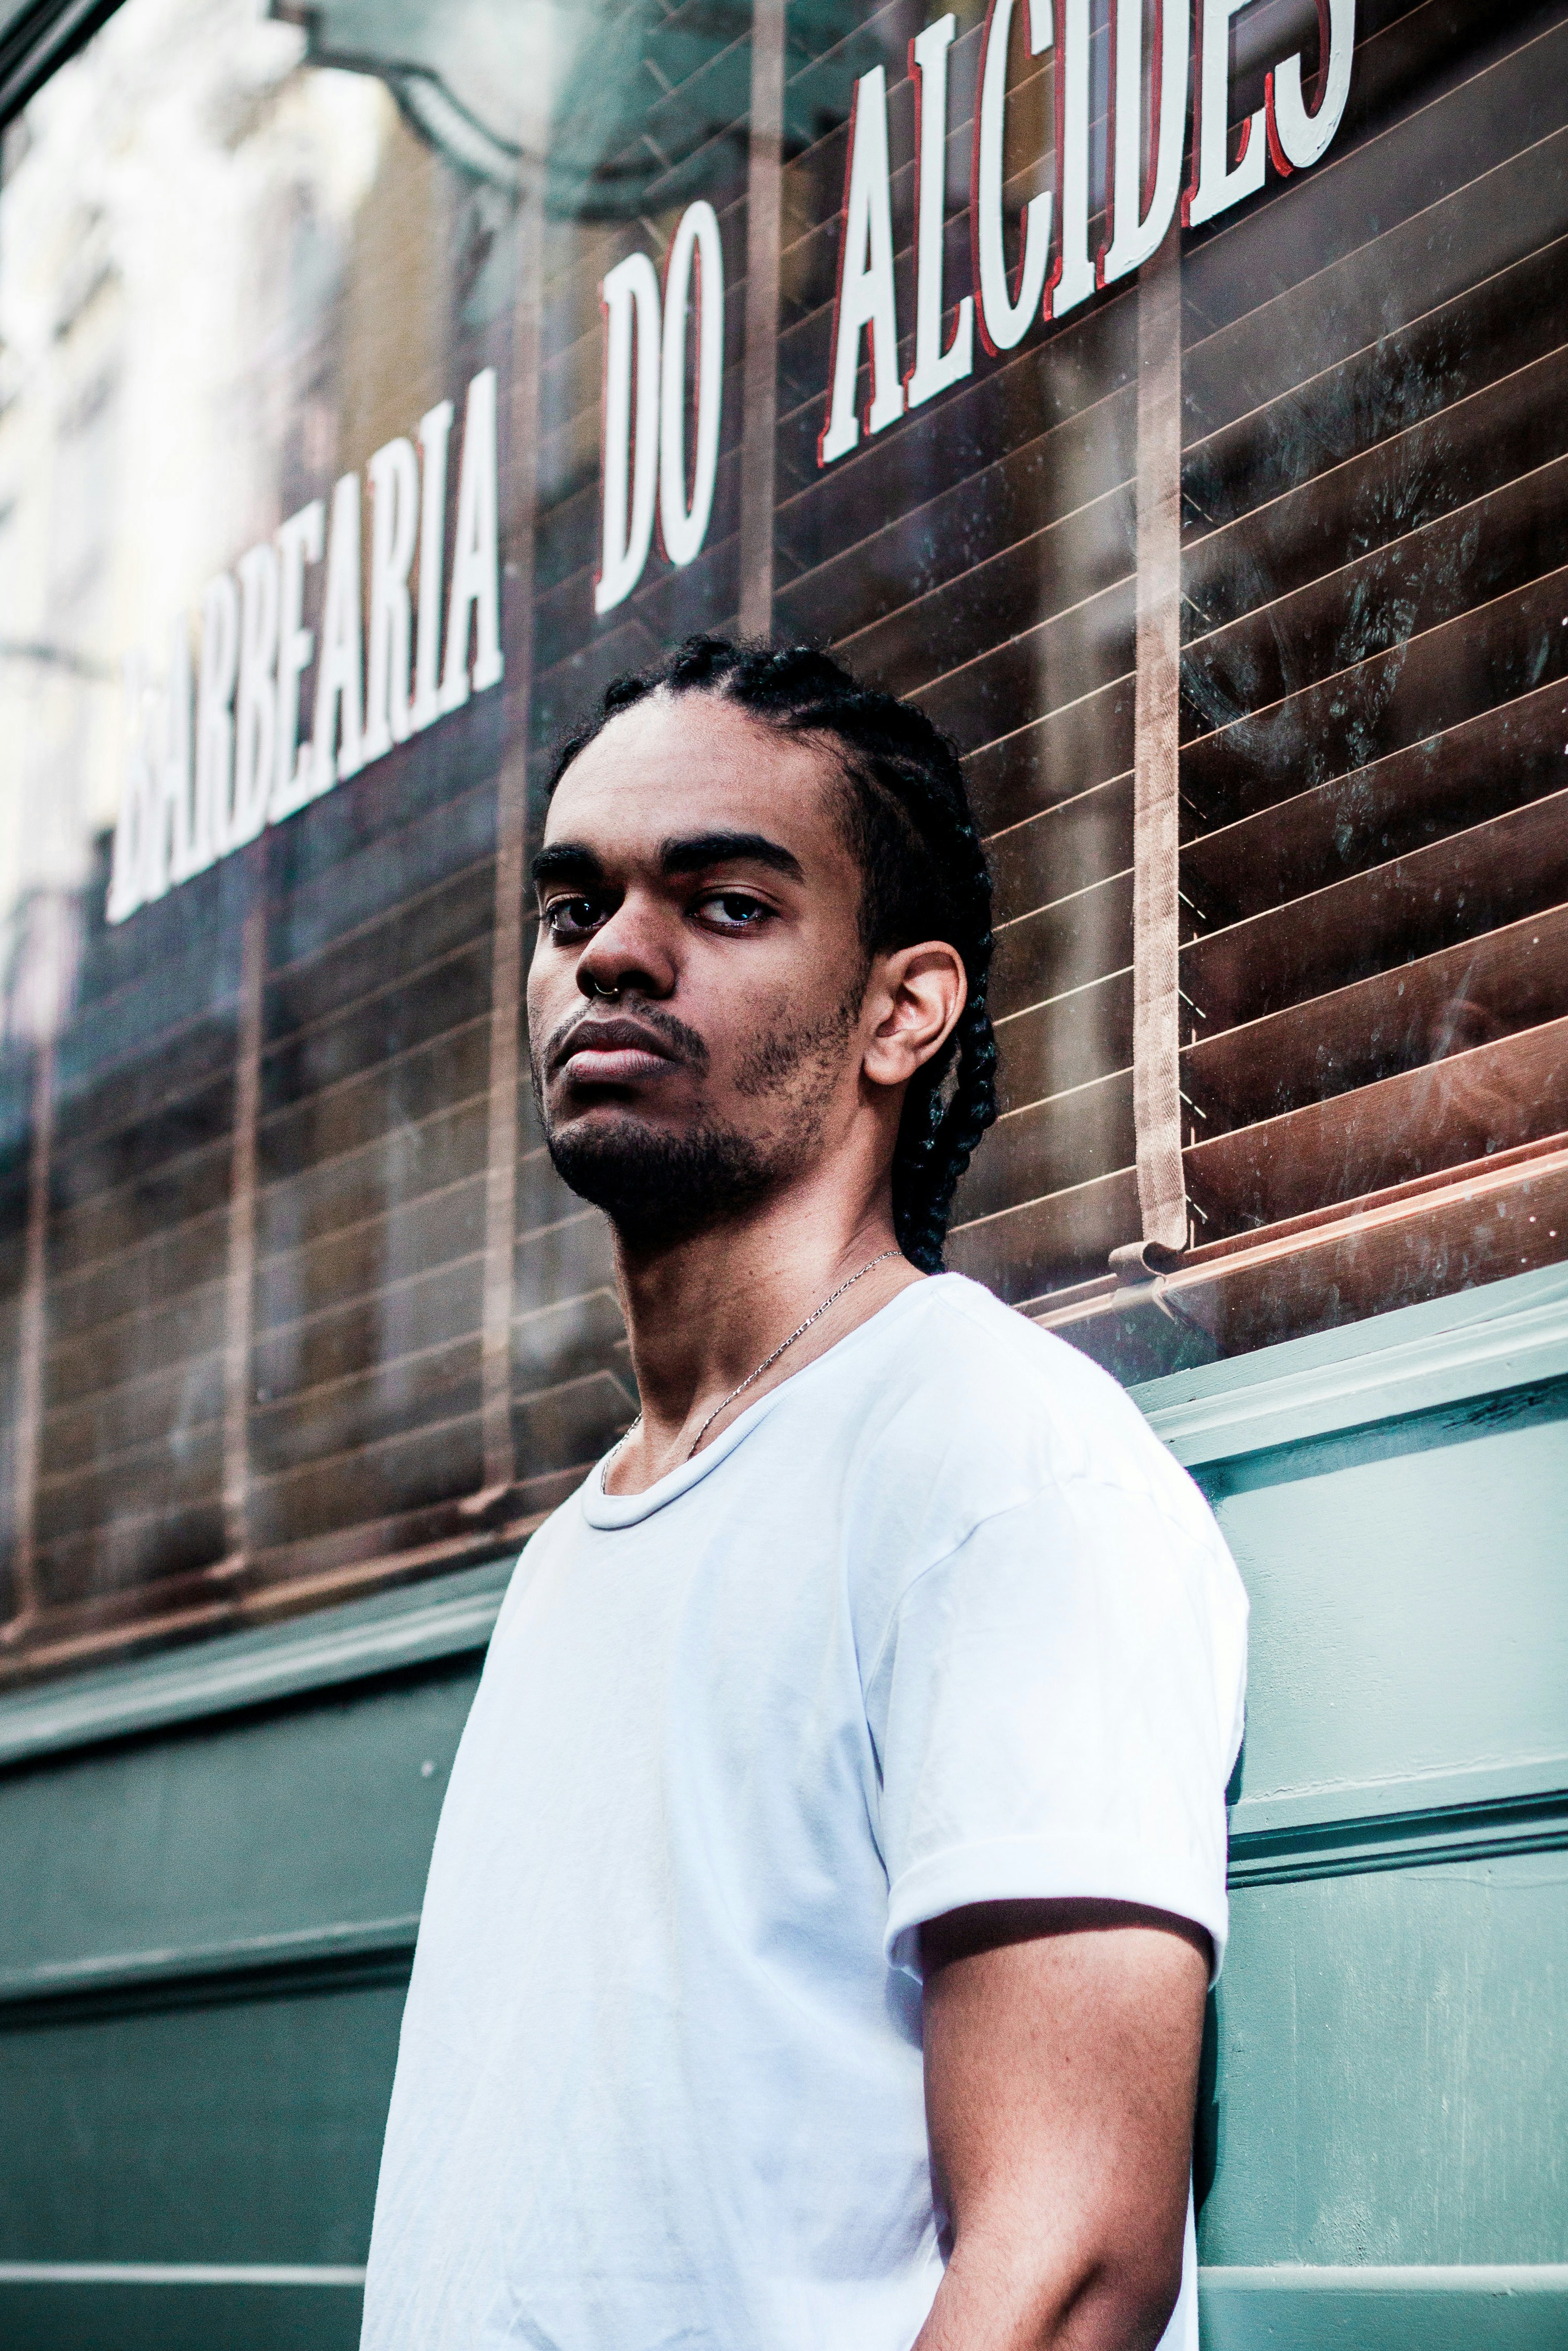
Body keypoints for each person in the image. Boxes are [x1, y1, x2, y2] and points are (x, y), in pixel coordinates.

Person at [361, 638, 1248, 2351]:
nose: (613, 952)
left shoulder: (990, 1465)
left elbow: (1067, 2270)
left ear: (902, 1010)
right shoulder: (574, 1553)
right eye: (572, 909)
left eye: (726, 904)